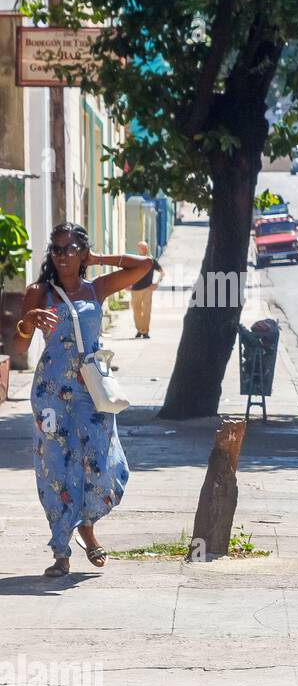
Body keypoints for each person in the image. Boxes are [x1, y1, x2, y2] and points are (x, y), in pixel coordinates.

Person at [8, 223, 153, 577]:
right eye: (57, 250)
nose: (63, 256)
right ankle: (61, 549)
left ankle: (86, 527)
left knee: (100, 464)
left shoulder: (96, 289)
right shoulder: (38, 292)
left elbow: (144, 265)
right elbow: (19, 348)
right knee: (55, 467)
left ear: (82, 252)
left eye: (70, 248)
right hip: (50, 393)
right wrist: (26, 323)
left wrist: (99, 258)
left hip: (91, 390)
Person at [128, 240, 165, 339]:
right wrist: (126, 285)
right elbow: (128, 274)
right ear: (138, 249)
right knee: (136, 311)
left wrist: (156, 284)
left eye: (145, 248)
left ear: (147, 249)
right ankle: (139, 330)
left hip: (147, 289)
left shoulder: (151, 260)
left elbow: (162, 272)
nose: (143, 250)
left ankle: (145, 331)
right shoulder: (134, 260)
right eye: (141, 248)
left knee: (147, 311)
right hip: (135, 290)